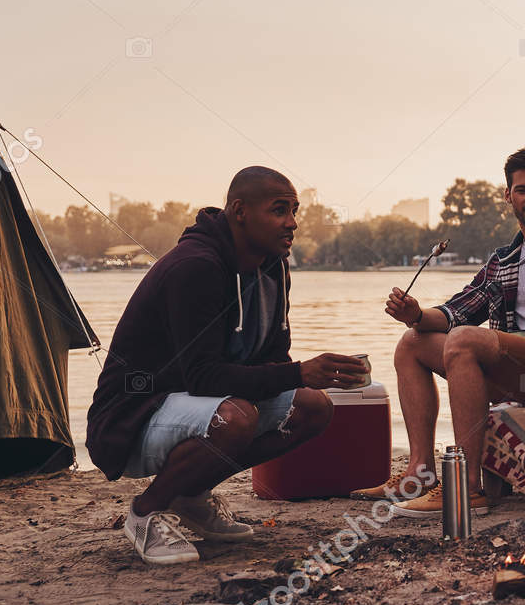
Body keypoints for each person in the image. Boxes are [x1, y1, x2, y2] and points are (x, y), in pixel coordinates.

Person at [86, 167, 365, 565]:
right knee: (235, 418)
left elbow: (273, 361)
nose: (293, 222)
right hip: (132, 417)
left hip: (194, 405)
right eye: (279, 210)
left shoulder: (273, 265)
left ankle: (189, 494)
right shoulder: (195, 267)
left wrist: (311, 377)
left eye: (294, 209)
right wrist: (299, 372)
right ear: (240, 211)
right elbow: (202, 376)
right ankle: (146, 513)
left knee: (312, 406)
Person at [384, 147, 525, 515]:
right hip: (524, 368)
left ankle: (467, 489)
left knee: (465, 340)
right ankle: (420, 472)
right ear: (508, 197)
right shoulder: (504, 261)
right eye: (522, 190)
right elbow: (458, 310)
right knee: (412, 343)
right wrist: (416, 313)